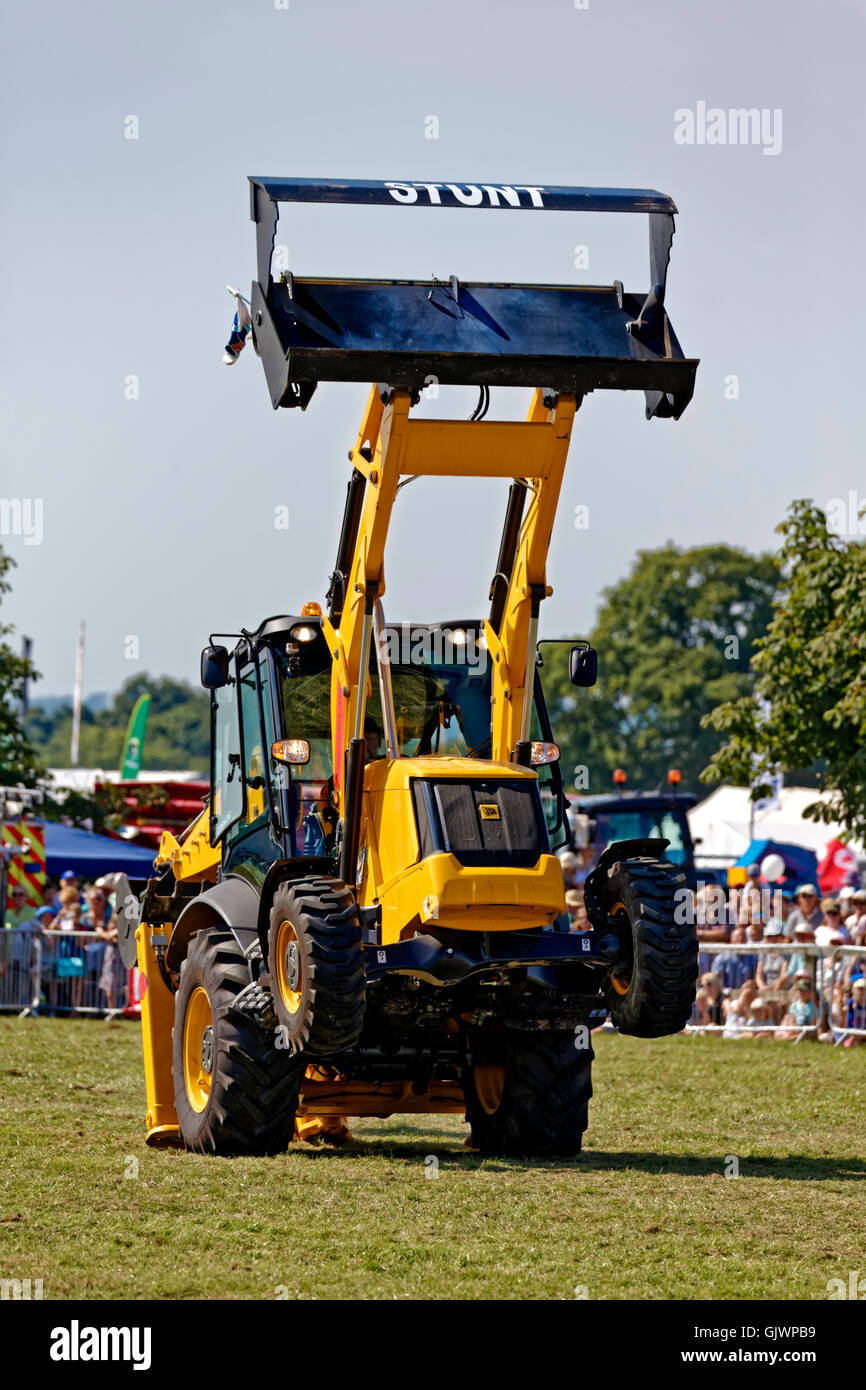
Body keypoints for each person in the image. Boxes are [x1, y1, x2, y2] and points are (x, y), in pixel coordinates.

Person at [776, 972, 818, 1040]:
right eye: (800, 990)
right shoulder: (794, 1005)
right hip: (794, 1028)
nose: (802, 993)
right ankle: (788, 1036)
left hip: (805, 1031)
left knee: (800, 1035)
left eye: (805, 991)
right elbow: (791, 1018)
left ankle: (790, 1037)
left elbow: (812, 1025)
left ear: (810, 992)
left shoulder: (812, 1007)